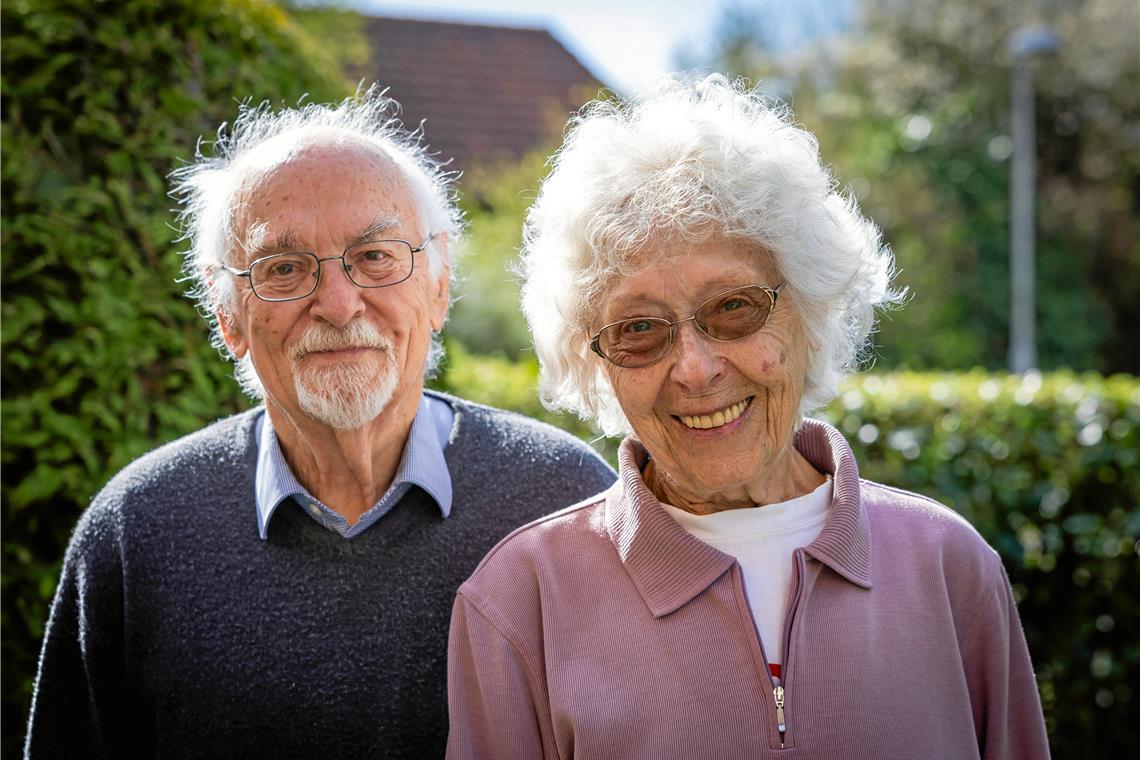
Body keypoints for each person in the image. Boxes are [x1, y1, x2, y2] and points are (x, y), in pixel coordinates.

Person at [446, 75, 1050, 759]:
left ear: (811, 310)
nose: (696, 368)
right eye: (640, 328)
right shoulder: (520, 602)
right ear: (598, 361)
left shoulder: (949, 567)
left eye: (735, 307)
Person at [24, 88, 615, 759]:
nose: (337, 304)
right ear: (229, 317)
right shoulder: (137, 532)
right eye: (283, 268)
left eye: (375, 257)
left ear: (439, 287)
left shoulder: (568, 503)